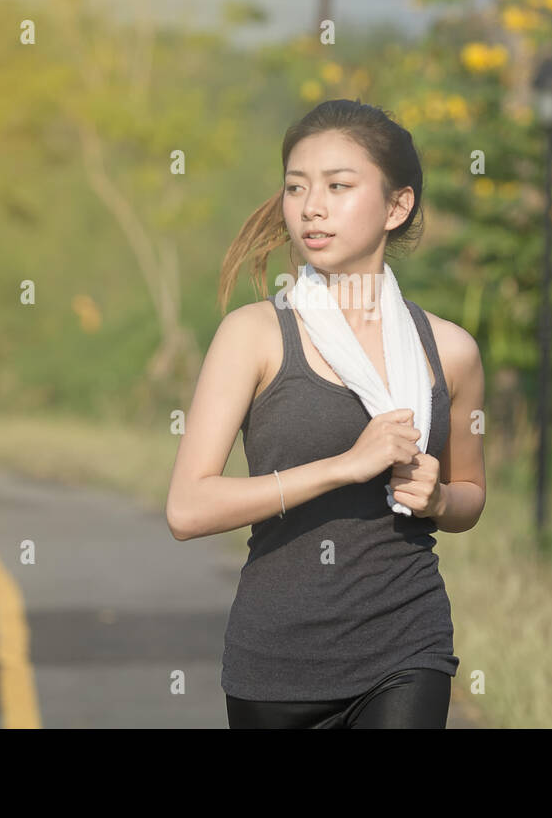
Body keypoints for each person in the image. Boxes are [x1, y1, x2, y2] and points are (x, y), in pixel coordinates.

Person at [166, 99, 487, 728]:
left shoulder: (450, 351)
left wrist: (440, 501)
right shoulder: (254, 335)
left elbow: (471, 492)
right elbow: (187, 508)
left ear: (398, 206)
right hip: (277, 662)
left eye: (338, 187)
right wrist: (345, 467)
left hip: (407, 642)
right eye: (296, 187)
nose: (311, 206)